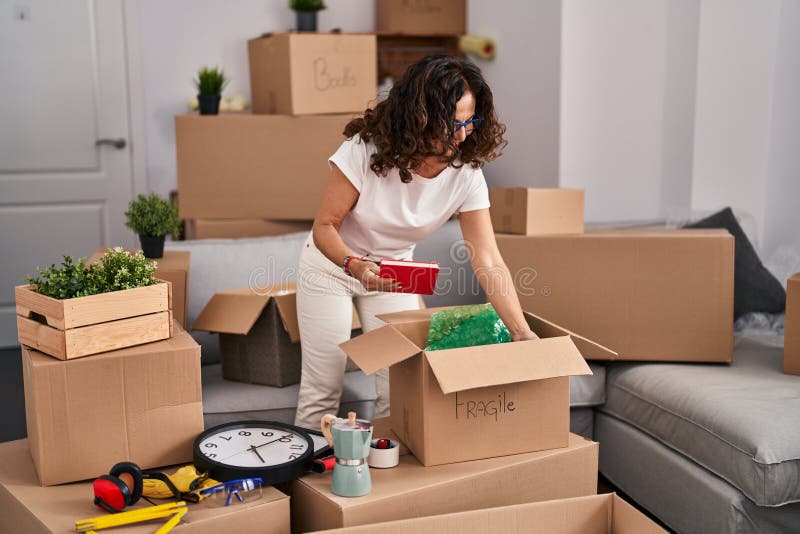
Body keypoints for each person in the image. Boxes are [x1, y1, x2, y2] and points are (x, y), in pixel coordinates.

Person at [293, 55, 539, 430]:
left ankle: (388, 465)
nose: (462, 136)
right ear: (420, 118)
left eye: (469, 122)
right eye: (452, 125)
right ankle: (306, 465)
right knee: (323, 389)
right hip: (334, 267)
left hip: (395, 273)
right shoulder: (364, 150)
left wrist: (521, 332)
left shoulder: (467, 173)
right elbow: (325, 226)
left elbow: (487, 258)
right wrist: (355, 266)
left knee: (399, 388)